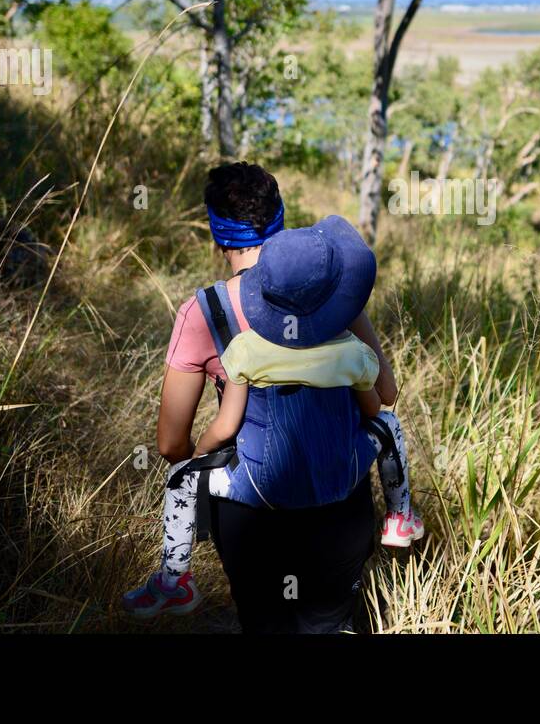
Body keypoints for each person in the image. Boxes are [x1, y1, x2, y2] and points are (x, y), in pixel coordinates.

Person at [121, 162, 422, 626]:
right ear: (281, 219)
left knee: (264, 622)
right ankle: (402, 517)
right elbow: (385, 396)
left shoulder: (204, 313)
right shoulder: (332, 294)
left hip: (253, 511)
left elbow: (169, 445)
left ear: (218, 236)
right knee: (331, 622)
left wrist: (200, 460)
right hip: (341, 500)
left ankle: (173, 577)